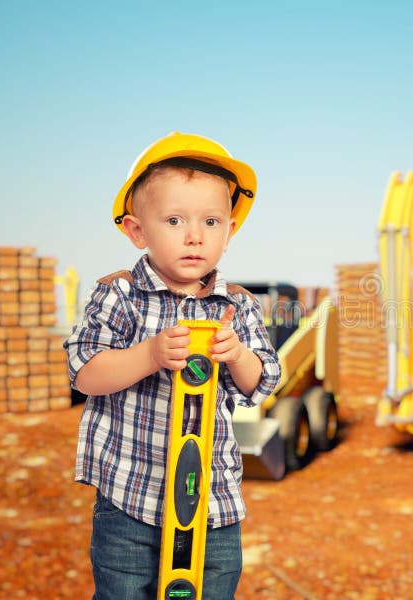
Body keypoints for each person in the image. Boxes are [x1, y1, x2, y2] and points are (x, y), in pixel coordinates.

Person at [64, 131, 281, 599]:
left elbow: (262, 383)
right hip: (130, 501)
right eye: (175, 219)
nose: (194, 236)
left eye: (211, 221)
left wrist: (238, 355)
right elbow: (84, 371)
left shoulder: (238, 306)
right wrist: (149, 354)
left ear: (230, 230)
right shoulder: (118, 294)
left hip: (213, 505)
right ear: (137, 230)